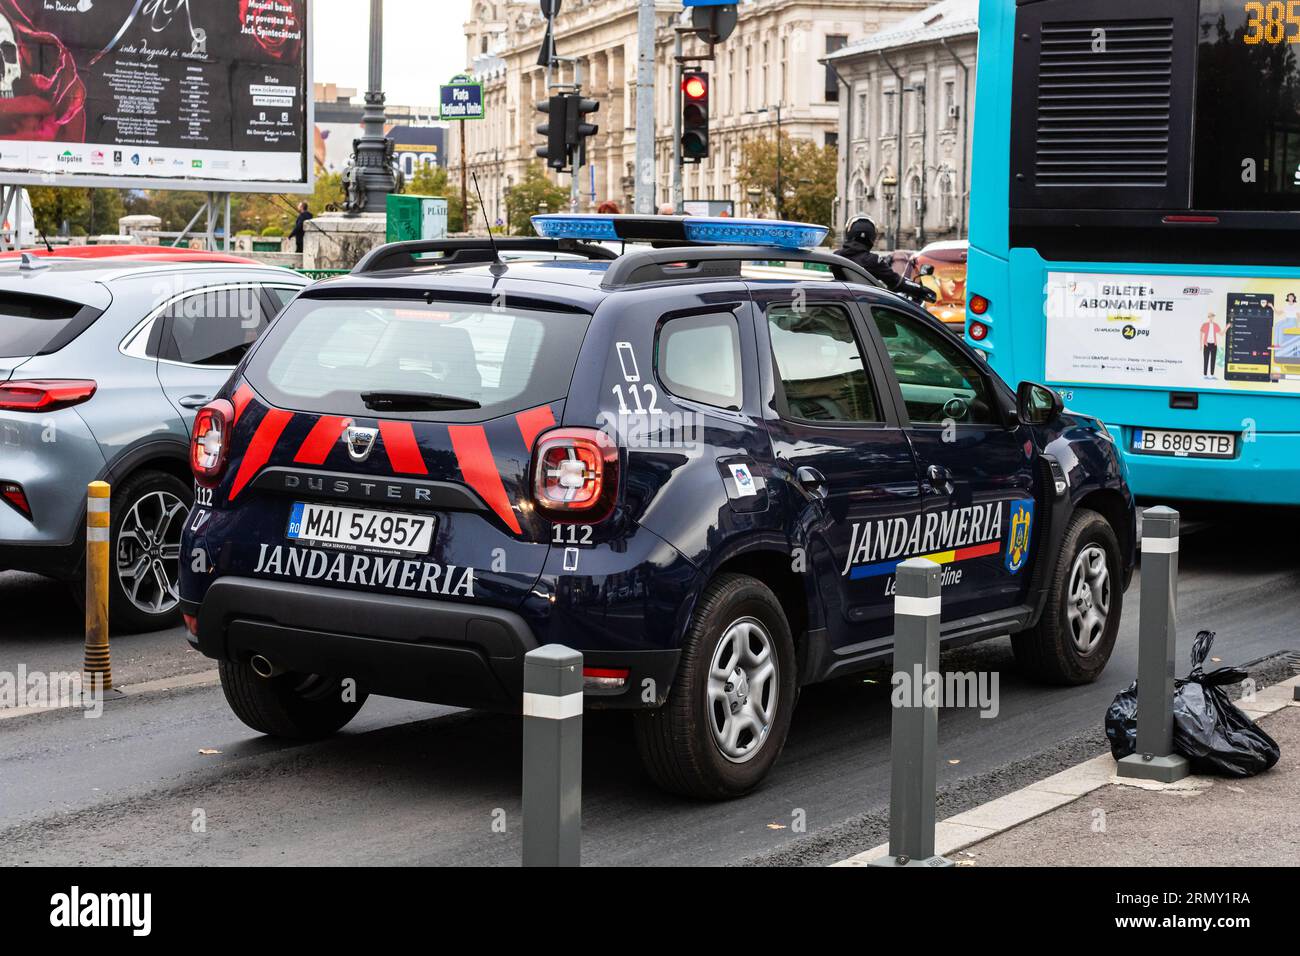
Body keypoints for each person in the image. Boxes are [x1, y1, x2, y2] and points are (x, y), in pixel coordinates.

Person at [834, 215, 905, 291]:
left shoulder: (836, 256)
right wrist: (917, 289)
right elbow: (896, 282)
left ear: (849, 233)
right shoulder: (874, 261)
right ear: (872, 236)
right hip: (865, 301)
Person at [1201, 310, 1224, 380]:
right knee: (1206, 359)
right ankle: (1205, 375)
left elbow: (1221, 334)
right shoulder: (1205, 325)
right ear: (1209, 317)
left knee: (1213, 360)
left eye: (1213, 316)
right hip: (1207, 344)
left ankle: (1212, 374)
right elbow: (1201, 334)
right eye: (1211, 316)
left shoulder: (1216, 325)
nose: (1212, 318)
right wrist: (1201, 343)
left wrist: (1227, 327)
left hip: (1214, 344)